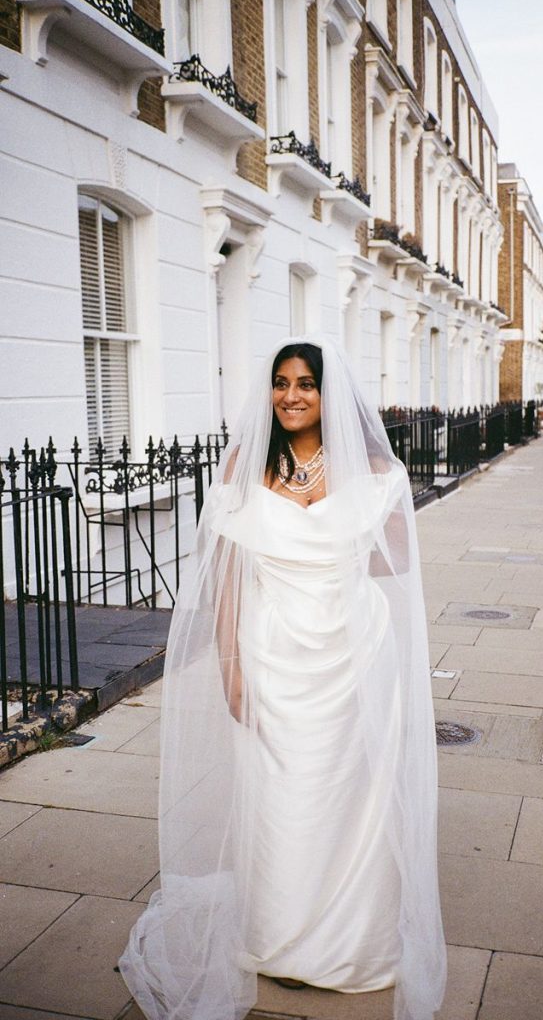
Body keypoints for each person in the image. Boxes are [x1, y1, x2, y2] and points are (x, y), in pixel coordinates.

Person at [119, 337, 446, 1020]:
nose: (291, 396)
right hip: (271, 655)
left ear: (330, 394)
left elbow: (393, 560)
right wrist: (231, 667)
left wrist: (332, 564)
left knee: (354, 799)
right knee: (280, 798)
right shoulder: (244, 465)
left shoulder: (374, 472)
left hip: (355, 656)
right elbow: (227, 579)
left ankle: (349, 946)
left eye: (306, 384)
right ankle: (278, 939)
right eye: (280, 382)